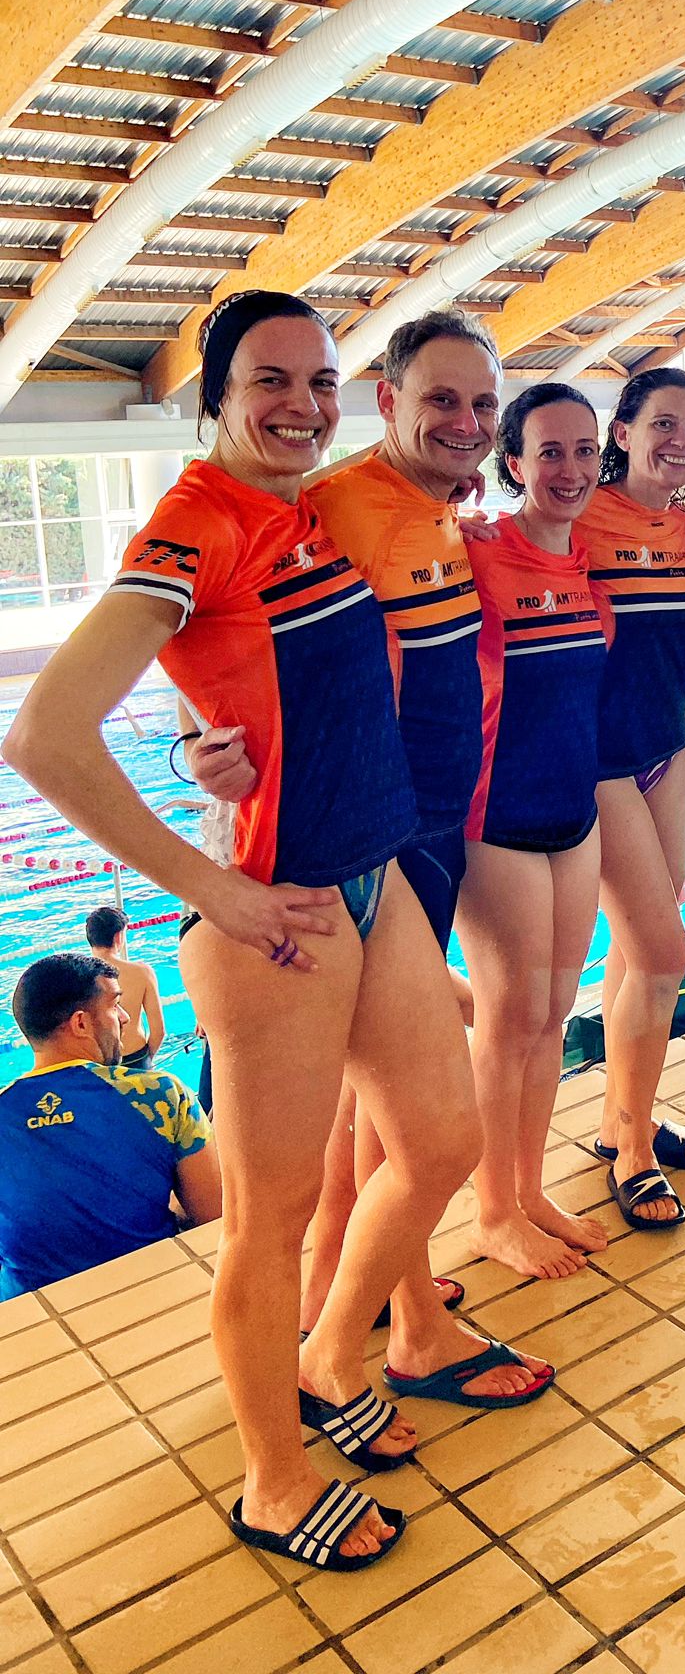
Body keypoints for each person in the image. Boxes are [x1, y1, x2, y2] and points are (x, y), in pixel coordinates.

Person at [3, 290, 484, 1573]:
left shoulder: (305, 508)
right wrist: (212, 887)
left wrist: (206, 743)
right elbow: (44, 733)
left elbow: (265, 684)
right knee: (267, 1220)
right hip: (280, 914)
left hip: (369, 877)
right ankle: (274, 1480)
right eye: (272, 380)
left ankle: (337, 1352)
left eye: (321, 381)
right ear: (214, 392)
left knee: (441, 1136)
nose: (303, 405)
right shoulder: (195, 521)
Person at [193, 305, 549, 1404]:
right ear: (388, 399)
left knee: (389, 1107)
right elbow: (240, 642)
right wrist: (197, 747)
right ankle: (364, 1333)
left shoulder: (444, 505)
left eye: (483, 405)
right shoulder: (333, 503)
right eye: (442, 399)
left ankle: (405, 1312)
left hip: (428, 827)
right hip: (371, 836)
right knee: (383, 1113)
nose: (467, 422)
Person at [456, 384, 610, 1273]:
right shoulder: (479, 549)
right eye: (550, 451)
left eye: (584, 451)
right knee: (509, 1015)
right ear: (512, 461)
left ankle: (528, 1184)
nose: (571, 469)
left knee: (554, 1011)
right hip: (497, 815)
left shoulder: (585, 560)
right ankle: (489, 1209)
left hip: (574, 811)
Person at [582, 368, 685, 1230]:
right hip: (598, 763)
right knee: (665, 951)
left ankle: (619, 1116)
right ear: (622, 431)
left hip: (672, 746)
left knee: (639, 952)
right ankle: (631, 1151)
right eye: (664, 423)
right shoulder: (576, 519)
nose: (681, 441)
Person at [0, 953, 220, 1299]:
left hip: (23, 1313)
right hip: (151, 1290)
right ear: (81, 1023)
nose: (125, 1017)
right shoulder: (159, 1095)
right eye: (114, 1005)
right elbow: (215, 1217)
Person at [84, 904, 163, 1070]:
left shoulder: (79, 976)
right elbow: (159, 1032)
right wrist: (147, 1062)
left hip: (99, 1065)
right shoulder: (142, 972)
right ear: (119, 937)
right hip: (137, 1058)